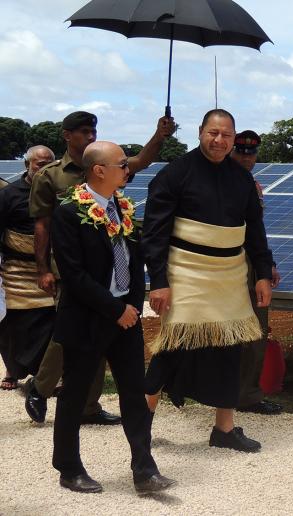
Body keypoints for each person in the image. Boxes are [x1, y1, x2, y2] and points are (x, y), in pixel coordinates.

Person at [25, 110, 176, 424]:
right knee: (71, 334)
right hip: (72, 270)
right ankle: (41, 387)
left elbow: (142, 160)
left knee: (100, 335)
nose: (89, 136)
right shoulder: (50, 176)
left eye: (92, 131)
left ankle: (88, 407)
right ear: (67, 135)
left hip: (110, 271)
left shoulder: (113, 163)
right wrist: (43, 269)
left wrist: (159, 136)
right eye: (82, 132)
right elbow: (42, 226)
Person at [144, 109, 274, 453]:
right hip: (185, 271)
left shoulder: (242, 179)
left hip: (230, 273)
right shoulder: (175, 174)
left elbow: (255, 231)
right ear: (201, 132)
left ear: (232, 139)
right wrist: (158, 280)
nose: (219, 140)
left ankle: (224, 428)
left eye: (226, 135)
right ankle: (141, 422)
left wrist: (262, 273)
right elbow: (154, 232)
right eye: (213, 133)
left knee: (231, 348)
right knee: (172, 346)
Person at [51, 141, 175, 494]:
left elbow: (133, 261)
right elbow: (74, 275)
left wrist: (132, 306)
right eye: (122, 164)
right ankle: (69, 467)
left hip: (126, 315)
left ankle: (145, 469)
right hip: (89, 317)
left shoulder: (122, 206)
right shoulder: (69, 212)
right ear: (99, 170)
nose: (128, 169)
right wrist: (114, 308)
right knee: (75, 393)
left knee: (134, 393)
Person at [230, 130, 282, 415]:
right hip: (222, 268)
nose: (246, 157)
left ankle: (247, 396)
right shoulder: (218, 181)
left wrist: (266, 265)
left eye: (251, 153)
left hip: (250, 269)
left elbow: (256, 232)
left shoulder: (253, 186)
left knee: (256, 331)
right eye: (240, 152)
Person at [0, 146, 56, 390]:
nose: (43, 169)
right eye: (38, 164)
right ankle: (12, 371)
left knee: (50, 324)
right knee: (11, 324)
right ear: (27, 166)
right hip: (15, 270)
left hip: (51, 268)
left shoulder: (61, 192)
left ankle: (45, 377)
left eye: (48, 164)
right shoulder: (9, 194)